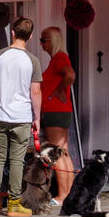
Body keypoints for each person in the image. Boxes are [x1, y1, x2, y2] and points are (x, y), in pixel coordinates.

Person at [0, 17, 42, 216]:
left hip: (0, 115)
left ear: (13, 33)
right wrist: (37, 117)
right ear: (31, 36)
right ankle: (14, 204)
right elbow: (35, 92)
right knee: (17, 161)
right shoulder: (33, 60)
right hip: (22, 117)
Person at [38, 27, 76, 204]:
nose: (41, 43)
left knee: (57, 153)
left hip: (55, 111)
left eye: (44, 40)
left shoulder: (60, 58)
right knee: (64, 152)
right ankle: (69, 194)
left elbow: (70, 74)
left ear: (52, 41)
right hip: (62, 111)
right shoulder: (57, 59)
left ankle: (62, 195)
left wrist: (59, 90)